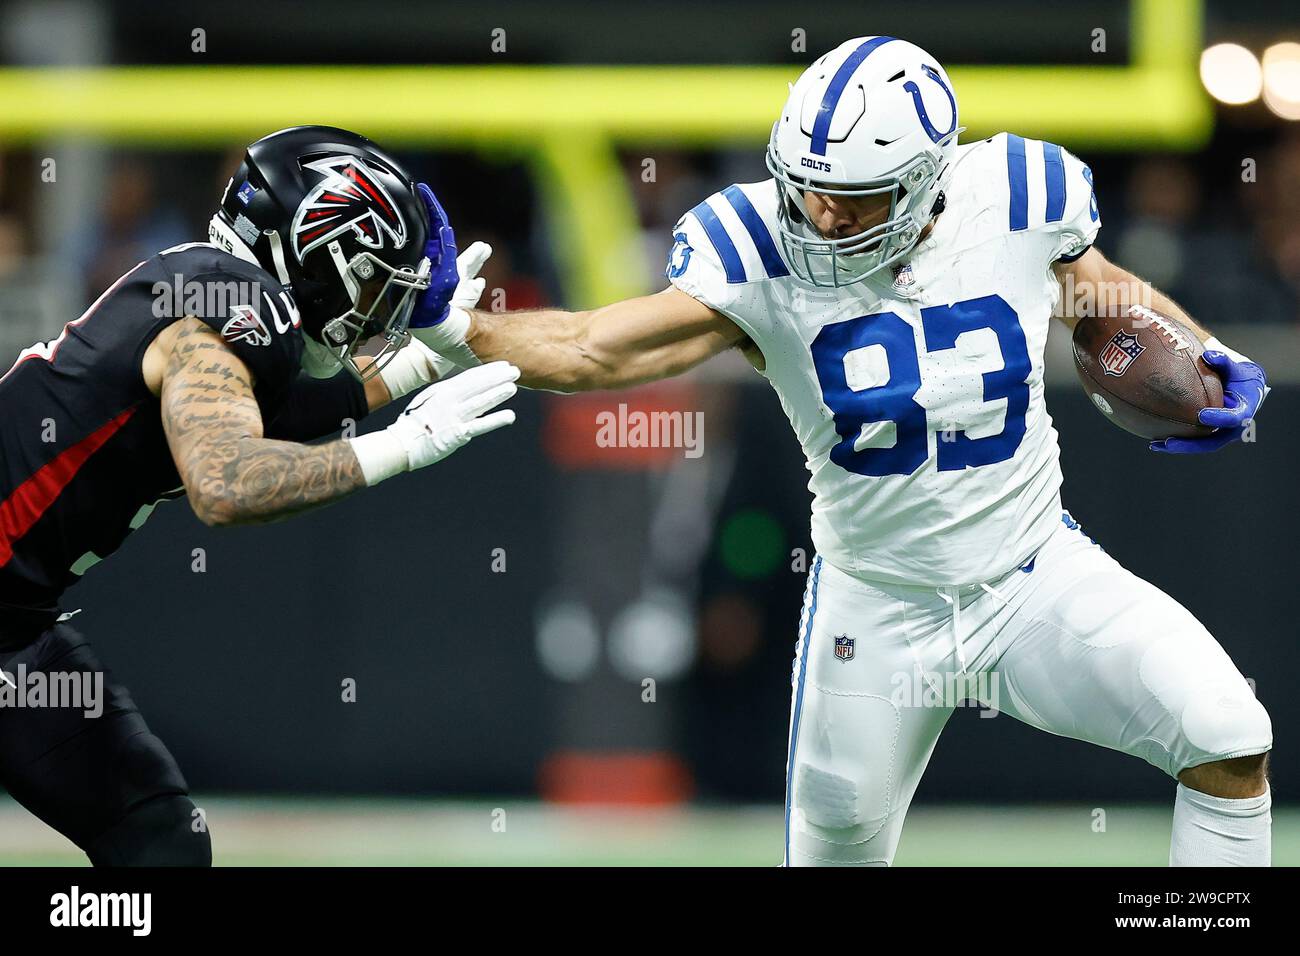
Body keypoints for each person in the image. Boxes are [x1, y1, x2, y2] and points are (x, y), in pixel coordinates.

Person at [415, 38, 1273, 866]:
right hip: (877, 610)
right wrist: (463, 327)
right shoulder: (754, 250)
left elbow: (1105, 297)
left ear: (927, 180)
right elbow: (597, 346)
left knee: (1228, 736)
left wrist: (1206, 356)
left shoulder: (1016, 194)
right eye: (808, 187)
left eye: (855, 198)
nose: (822, 214)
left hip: (1032, 575)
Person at [0, 125, 518, 865]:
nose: (378, 307)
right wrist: (402, 447)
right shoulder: (225, 308)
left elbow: (268, 410)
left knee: (159, 843)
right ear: (312, 253)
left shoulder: (215, 294)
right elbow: (227, 481)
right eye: (373, 282)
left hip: (15, 628)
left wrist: (411, 368)